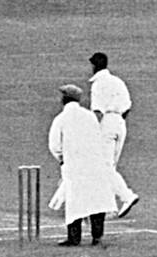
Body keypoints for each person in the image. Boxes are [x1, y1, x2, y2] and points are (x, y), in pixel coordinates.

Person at [48, 84, 113, 246]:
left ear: (64, 99)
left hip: (74, 166)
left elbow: (54, 145)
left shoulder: (61, 119)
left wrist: (62, 159)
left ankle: (74, 238)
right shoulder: (90, 116)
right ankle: (97, 236)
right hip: (95, 164)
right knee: (96, 200)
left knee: (75, 201)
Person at [87, 52, 139, 218]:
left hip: (107, 124)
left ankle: (127, 196)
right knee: (110, 166)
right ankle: (109, 207)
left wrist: (93, 133)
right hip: (120, 124)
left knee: (104, 167)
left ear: (94, 66)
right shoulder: (118, 82)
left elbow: (97, 111)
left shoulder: (98, 84)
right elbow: (128, 106)